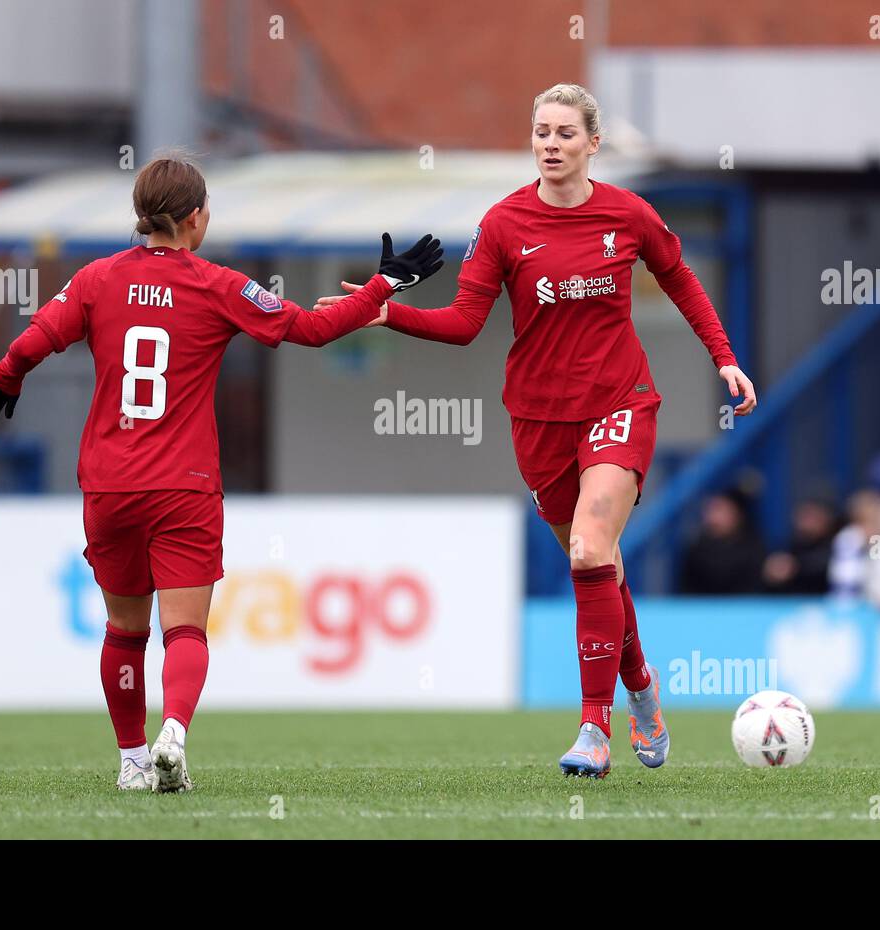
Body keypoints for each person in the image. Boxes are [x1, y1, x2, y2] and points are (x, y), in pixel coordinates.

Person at [0, 153, 443, 792]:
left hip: (108, 483)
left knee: (124, 630)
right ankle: (176, 733)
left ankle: (132, 762)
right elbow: (311, 328)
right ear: (194, 218)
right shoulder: (220, 285)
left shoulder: (96, 280)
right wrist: (384, 284)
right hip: (183, 485)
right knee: (184, 629)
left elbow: (35, 339)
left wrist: (3, 379)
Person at [316, 84, 756, 777]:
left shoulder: (630, 214)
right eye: (540, 132)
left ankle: (593, 729)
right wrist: (387, 311)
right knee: (598, 563)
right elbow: (464, 324)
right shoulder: (503, 224)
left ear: (592, 144)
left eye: (564, 133)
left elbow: (682, 281)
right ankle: (641, 686)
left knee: (587, 550)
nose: (550, 144)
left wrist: (725, 359)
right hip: (538, 419)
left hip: (619, 401)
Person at [680, 491, 765, 595]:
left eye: (719, 510)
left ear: (738, 514)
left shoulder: (755, 548)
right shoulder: (696, 549)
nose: (712, 518)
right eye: (709, 511)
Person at [762, 497, 837, 595]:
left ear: (826, 519)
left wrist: (796, 566)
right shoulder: (790, 545)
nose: (806, 523)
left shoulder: (838, 542)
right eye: (803, 517)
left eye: (813, 517)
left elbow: (827, 564)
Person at [828, 488, 880, 602]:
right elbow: (845, 574)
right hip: (846, 598)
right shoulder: (847, 536)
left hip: (873, 600)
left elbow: (878, 569)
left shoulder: (877, 538)